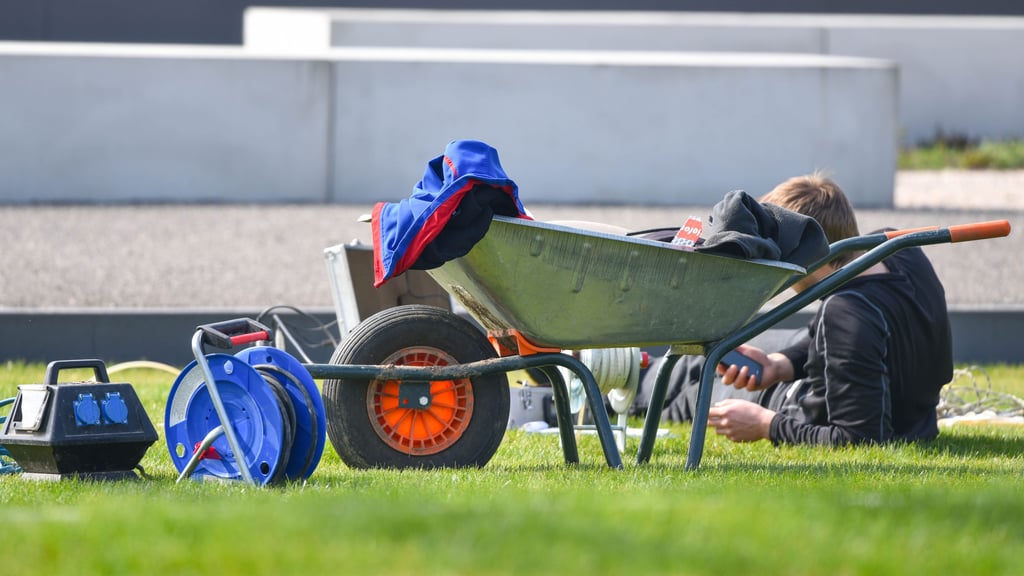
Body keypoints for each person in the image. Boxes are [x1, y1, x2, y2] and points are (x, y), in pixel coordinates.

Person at [637, 173, 954, 446]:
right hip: (913, 416)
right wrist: (781, 365)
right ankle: (632, 370)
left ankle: (622, 382)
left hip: (795, 406)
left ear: (798, 253)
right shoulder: (901, 254)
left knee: (692, 389)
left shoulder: (845, 313)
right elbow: (859, 343)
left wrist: (765, 424)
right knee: (729, 353)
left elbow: (858, 438)